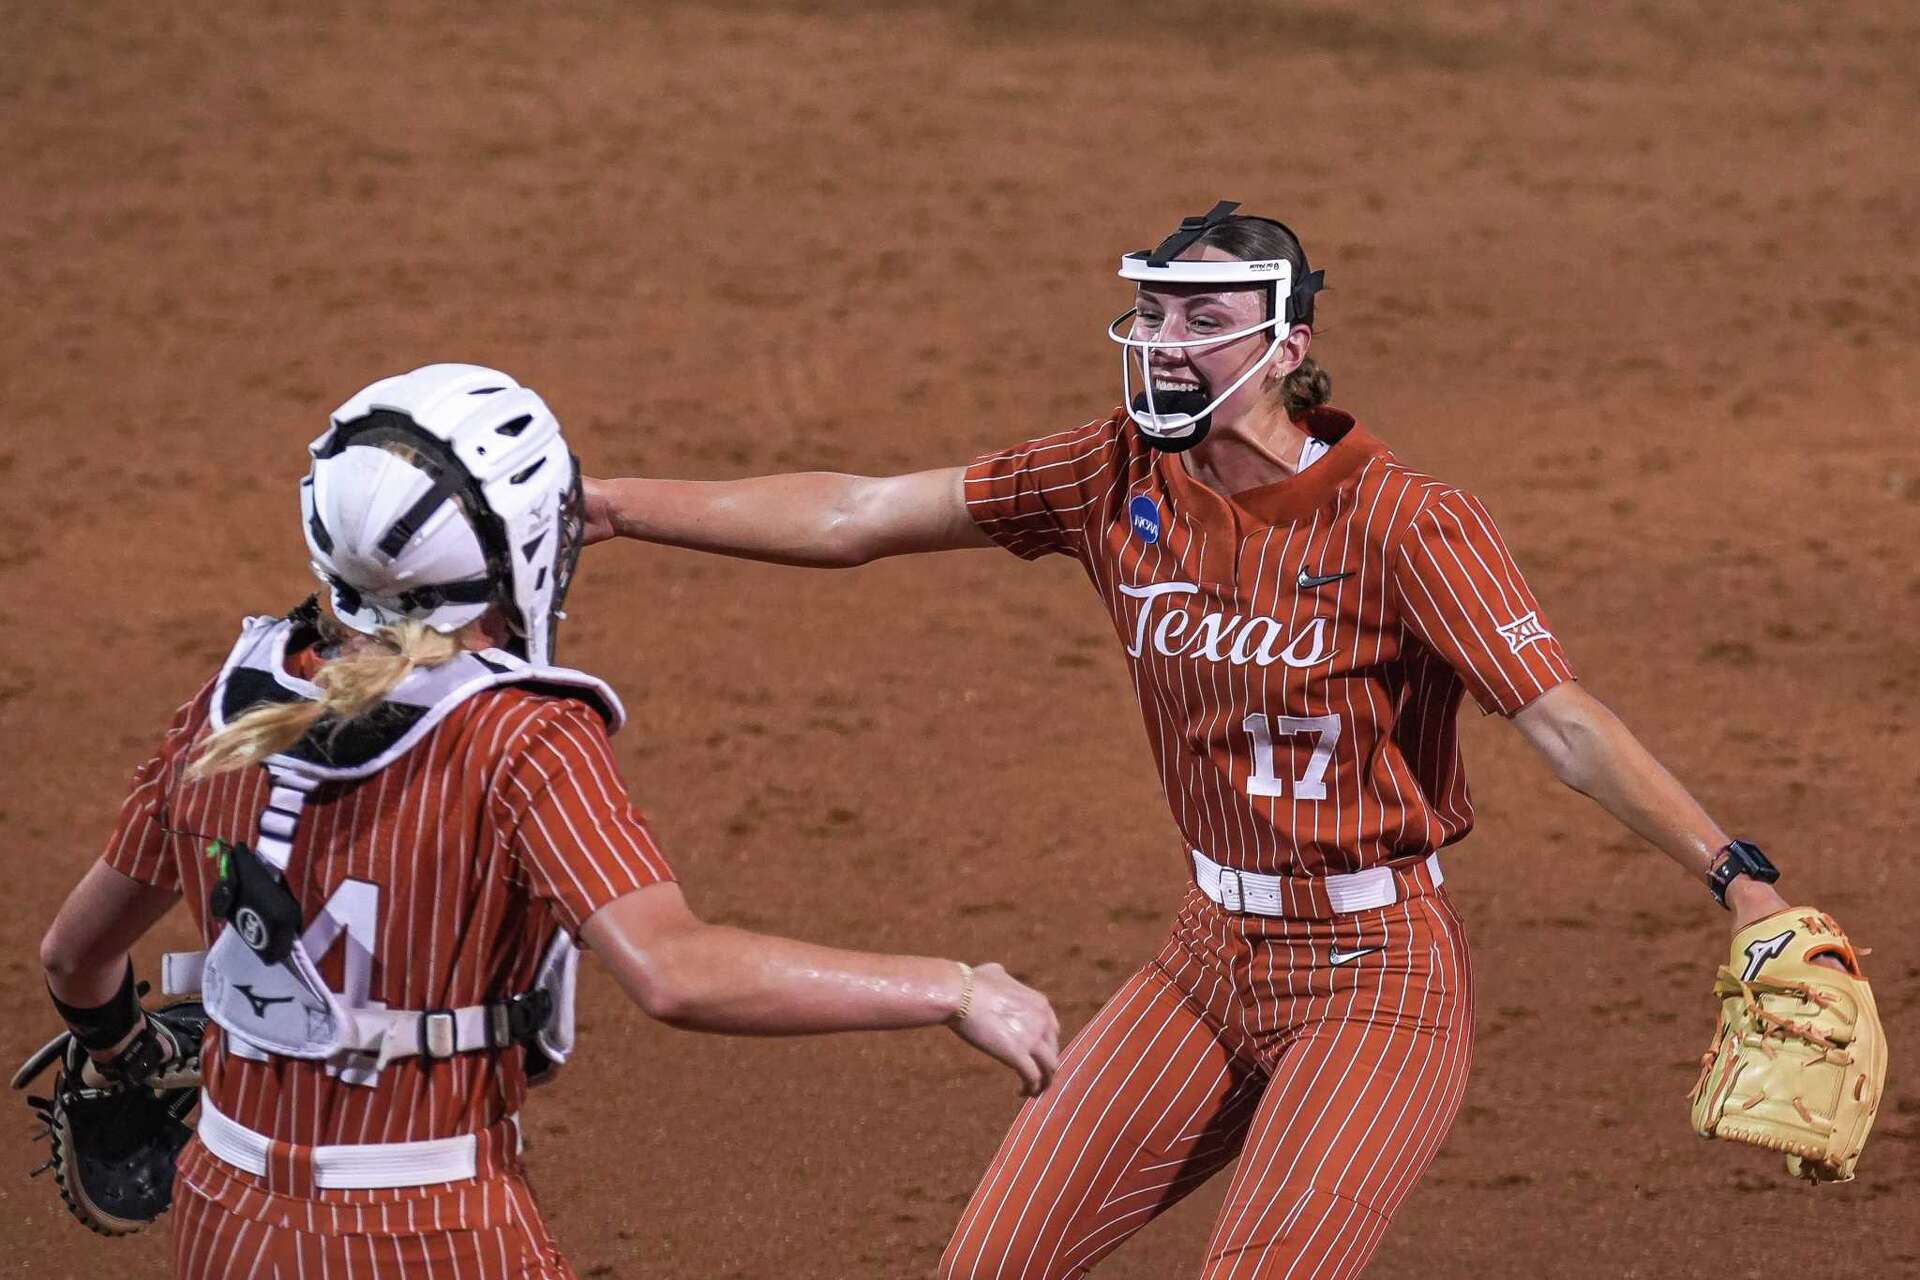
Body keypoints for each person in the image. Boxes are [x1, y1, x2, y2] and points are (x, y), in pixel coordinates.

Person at [580, 202, 1851, 1278]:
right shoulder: (1111, 472)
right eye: (1152, 314)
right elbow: (857, 513)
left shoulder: (1406, 522)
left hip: (1376, 979)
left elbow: (1564, 723)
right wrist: (620, 505)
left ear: (1288, 345)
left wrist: (1740, 879)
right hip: (1206, 958)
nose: (1164, 341)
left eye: (1202, 318)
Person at [34, 363, 1059, 1279]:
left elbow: (74, 958)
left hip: (224, 1212)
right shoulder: (518, 737)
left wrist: (124, 1049)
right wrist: (954, 987)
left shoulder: (228, 705)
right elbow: (676, 972)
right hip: (428, 1229)